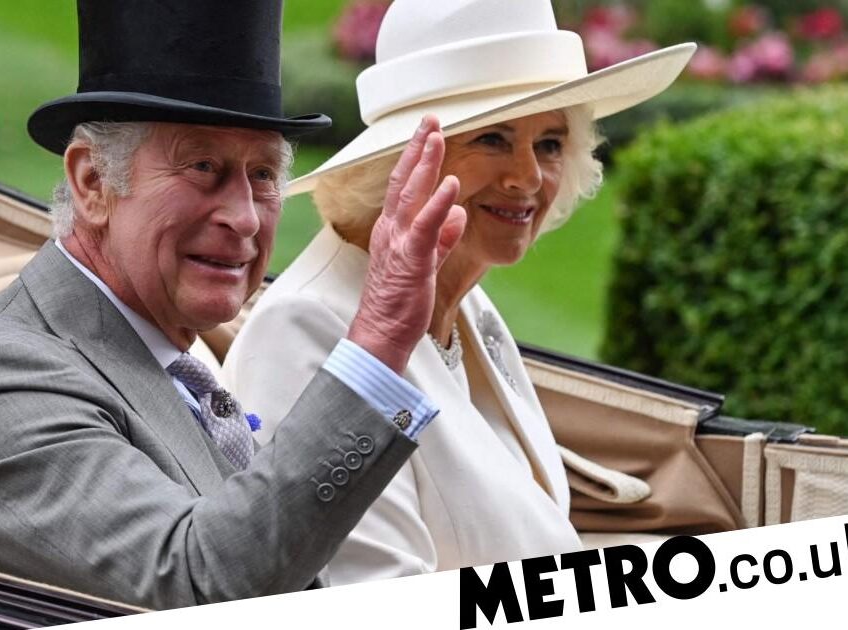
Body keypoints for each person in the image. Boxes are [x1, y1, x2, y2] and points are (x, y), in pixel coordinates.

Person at [0, 0, 468, 610]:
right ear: (93, 183)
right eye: (203, 167)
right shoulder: (6, 384)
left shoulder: (165, 353)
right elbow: (201, 587)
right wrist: (380, 336)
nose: (245, 218)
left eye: (262, 175)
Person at [224, 0, 696, 584]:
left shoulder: (465, 299)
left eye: (549, 143)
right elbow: (378, 597)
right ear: (404, 162)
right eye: (494, 139)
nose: (526, 177)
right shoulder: (305, 328)